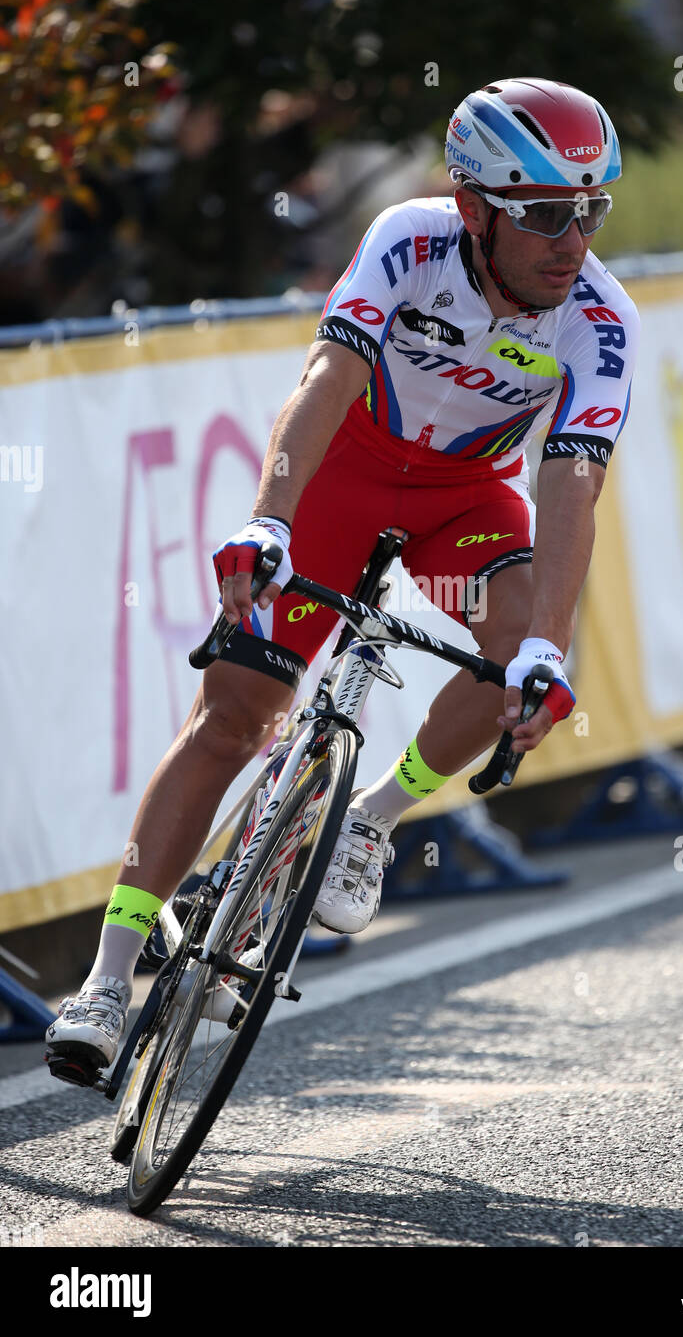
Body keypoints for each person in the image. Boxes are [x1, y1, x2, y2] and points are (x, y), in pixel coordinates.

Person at [45, 77, 639, 1079]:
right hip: (343, 480)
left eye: (588, 211)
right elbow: (328, 376)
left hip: (465, 500)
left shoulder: (599, 319)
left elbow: (570, 481)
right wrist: (268, 523)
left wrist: (545, 643)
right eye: (542, 213)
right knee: (233, 719)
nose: (569, 240)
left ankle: (368, 821)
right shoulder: (409, 240)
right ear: (473, 209)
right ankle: (106, 978)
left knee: (515, 641)